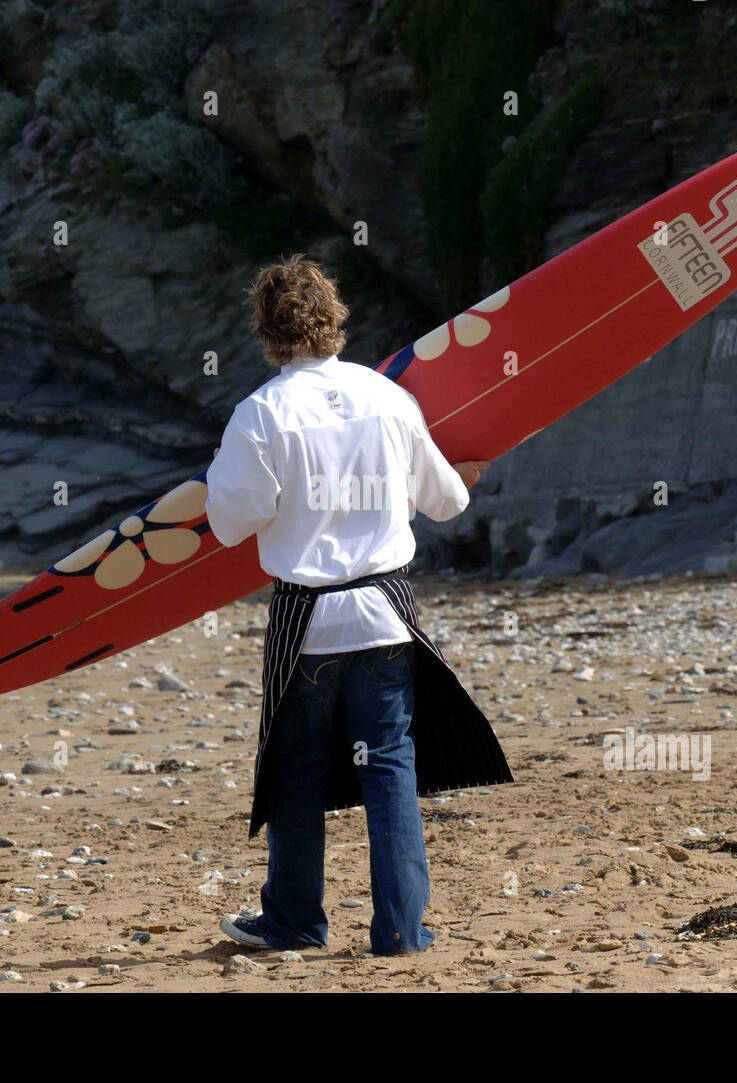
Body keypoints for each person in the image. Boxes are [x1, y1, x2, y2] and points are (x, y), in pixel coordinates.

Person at [204, 253, 512, 956]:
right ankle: (402, 931)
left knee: (297, 773)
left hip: (307, 625)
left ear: (266, 331)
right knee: (390, 769)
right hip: (384, 614)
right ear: (334, 318)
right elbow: (447, 500)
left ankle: (294, 923)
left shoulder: (260, 414)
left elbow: (228, 524)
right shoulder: (387, 397)